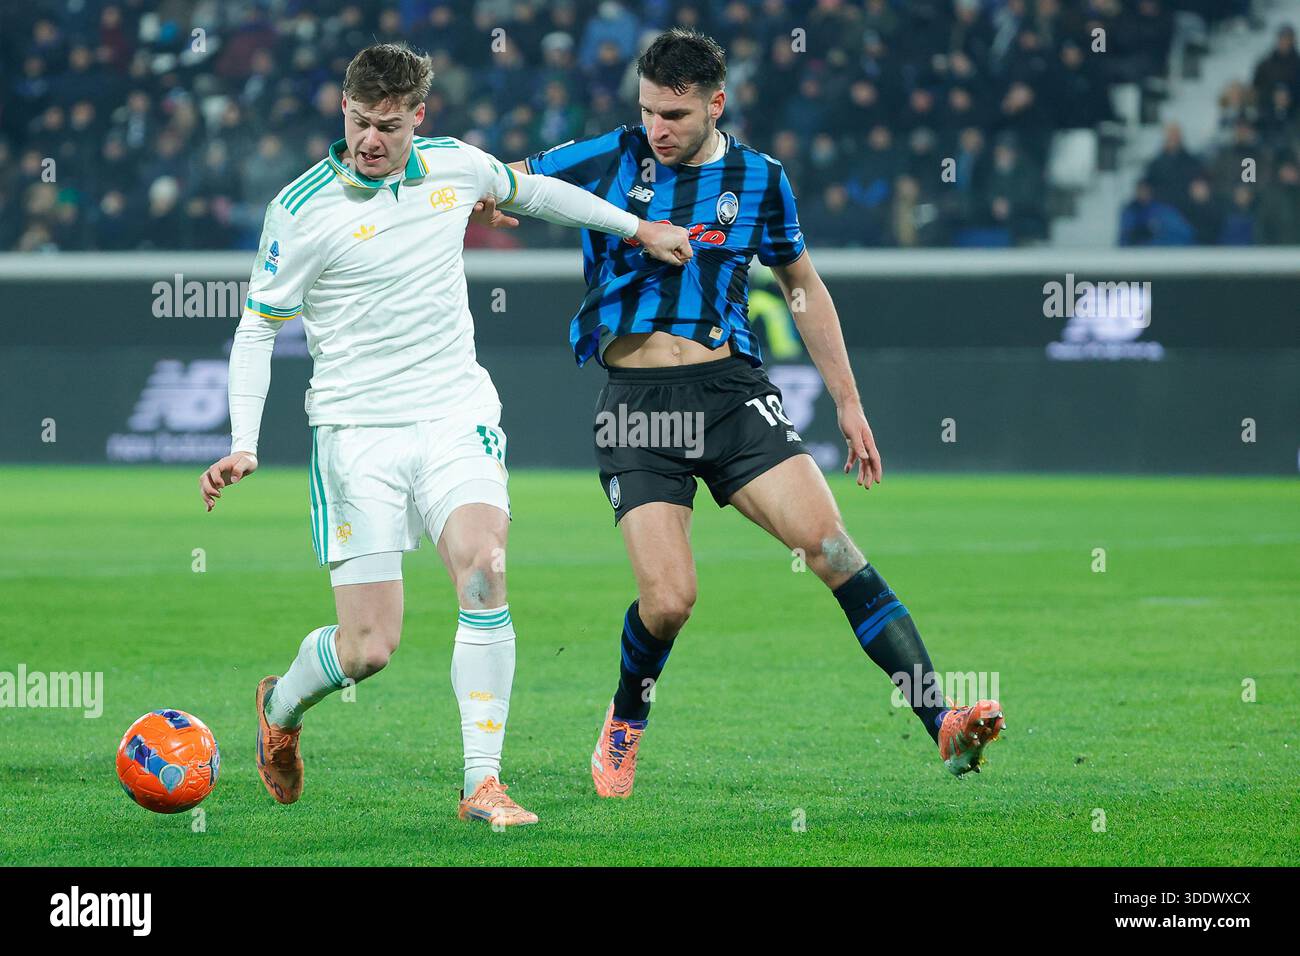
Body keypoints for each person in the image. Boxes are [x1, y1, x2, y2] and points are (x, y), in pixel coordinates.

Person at [474, 29, 1004, 798]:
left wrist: (850, 404)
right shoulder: (607, 157)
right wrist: (494, 195)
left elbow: (803, 287)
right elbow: (506, 182)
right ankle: (625, 720)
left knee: (831, 546)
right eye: (650, 109)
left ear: (716, 104)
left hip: (730, 392)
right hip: (639, 408)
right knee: (670, 601)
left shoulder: (761, 179)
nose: (658, 128)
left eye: (676, 115)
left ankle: (942, 723)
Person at [198, 42, 690, 826]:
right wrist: (244, 440)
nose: (369, 141)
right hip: (356, 433)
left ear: (418, 119)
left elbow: (539, 194)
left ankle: (481, 783)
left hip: (455, 413)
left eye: (387, 127)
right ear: (344, 111)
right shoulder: (299, 209)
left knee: (485, 571)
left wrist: (637, 229)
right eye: (359, 123)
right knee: (368, 650)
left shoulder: (455, 167)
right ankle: (282, 709)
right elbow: (258, 331)